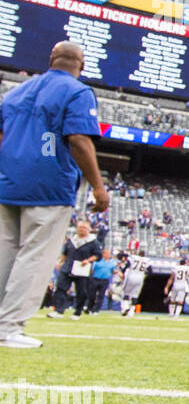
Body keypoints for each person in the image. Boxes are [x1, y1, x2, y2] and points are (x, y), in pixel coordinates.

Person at [0, 42, 109, 346]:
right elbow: (77, 138)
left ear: (50, 59)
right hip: (48, 185)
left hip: (8, 182)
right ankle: (8, 327)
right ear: (82, 66)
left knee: (5, 253)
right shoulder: (76, 92)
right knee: (34, 257)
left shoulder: (16, 92)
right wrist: (98, 186)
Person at [58, 219, 103, 318]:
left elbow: (98, 255)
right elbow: (65, 253)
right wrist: (60, 263)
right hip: (68, 266)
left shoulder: (93, 242)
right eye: (80, 228)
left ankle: (78, 311)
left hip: (82, 268)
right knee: (61, 287)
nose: (82, 230)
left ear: (89, 229)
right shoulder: (72, 240)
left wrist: (88, 260)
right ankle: (59, 310)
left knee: (81, 291)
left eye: (84, 228)